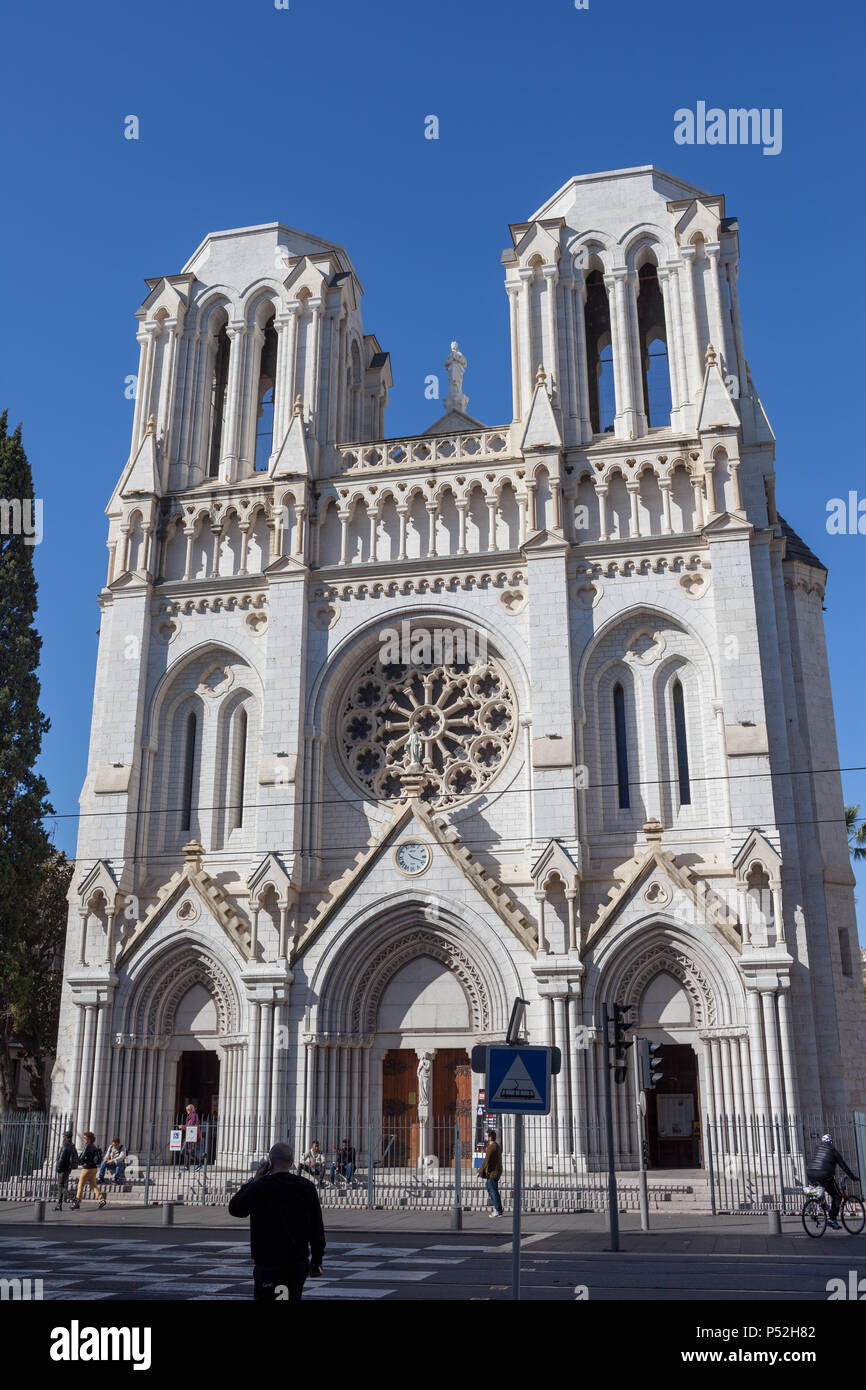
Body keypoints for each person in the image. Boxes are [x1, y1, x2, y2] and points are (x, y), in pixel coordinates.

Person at [229, 1142, 326, 1302]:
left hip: (268, 1263)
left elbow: (236, 1208)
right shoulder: (306, 1187)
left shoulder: (260, 1187)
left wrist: (255, 1179)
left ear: (270, 1162)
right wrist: (317, 1262)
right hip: (295, 1263)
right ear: (292, 1162)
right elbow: (317, 1229)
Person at [806, 1131, 859, 1229]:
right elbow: (843, 1166)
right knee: (837, 1196)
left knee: (821, 1188)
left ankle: (822, 1205)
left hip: (810, 1174)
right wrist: (853, 1177)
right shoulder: (833, 1150)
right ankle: (832, 1219)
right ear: (831, 1142)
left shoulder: (817, 1148)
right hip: (824, 1175)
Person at [69, 1132, 107, 1209]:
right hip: (94, 1168)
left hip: (87, 1169)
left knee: (80, 1185)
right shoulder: (93, 1145)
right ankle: (101, 1200)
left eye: (85, 1138)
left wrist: (78, 1161)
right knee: (93, 1185)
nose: (83, 1139)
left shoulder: (88, 1145)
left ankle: (77, 1202)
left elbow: (82, 1156)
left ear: (88, 1138)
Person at [480, 1128, 503, 1218]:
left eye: (486, 1136)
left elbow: (486, 1160)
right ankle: (498, 1210)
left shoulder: (491, 1147)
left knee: (493, 1191)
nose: (485, 1137)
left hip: (493, 1173)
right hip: (495, 1172)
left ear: (490, 1137)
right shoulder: (496, 1145)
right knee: (492, 1190)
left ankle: (497, 1210)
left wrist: (479, 1171)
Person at [54, 1131, 78, 1211]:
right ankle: (59, 1205)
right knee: (61, 1185)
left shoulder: (65, 1145)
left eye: (63, 1136)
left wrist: (58, 1168)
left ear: (65, 1137)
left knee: (60, 1185)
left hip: (63, 1168)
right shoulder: (72, 1145)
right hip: (68, 1168)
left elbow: (61, 1158)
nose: (63, 1137)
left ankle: (73, 1198)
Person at [181, 1102, 201, 1169]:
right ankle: (186, 1166)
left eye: (188, 1109)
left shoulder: (194, 1116)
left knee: (190, 1151)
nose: (187, 1111)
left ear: (192, 1109)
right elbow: (188, 1125)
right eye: (186, 1109)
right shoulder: (190, 1117)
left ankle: (199, 1164)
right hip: (189, 1136)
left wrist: (182, 1127)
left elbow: (191, 1126)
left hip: (193, 1137)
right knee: (187, 1151)